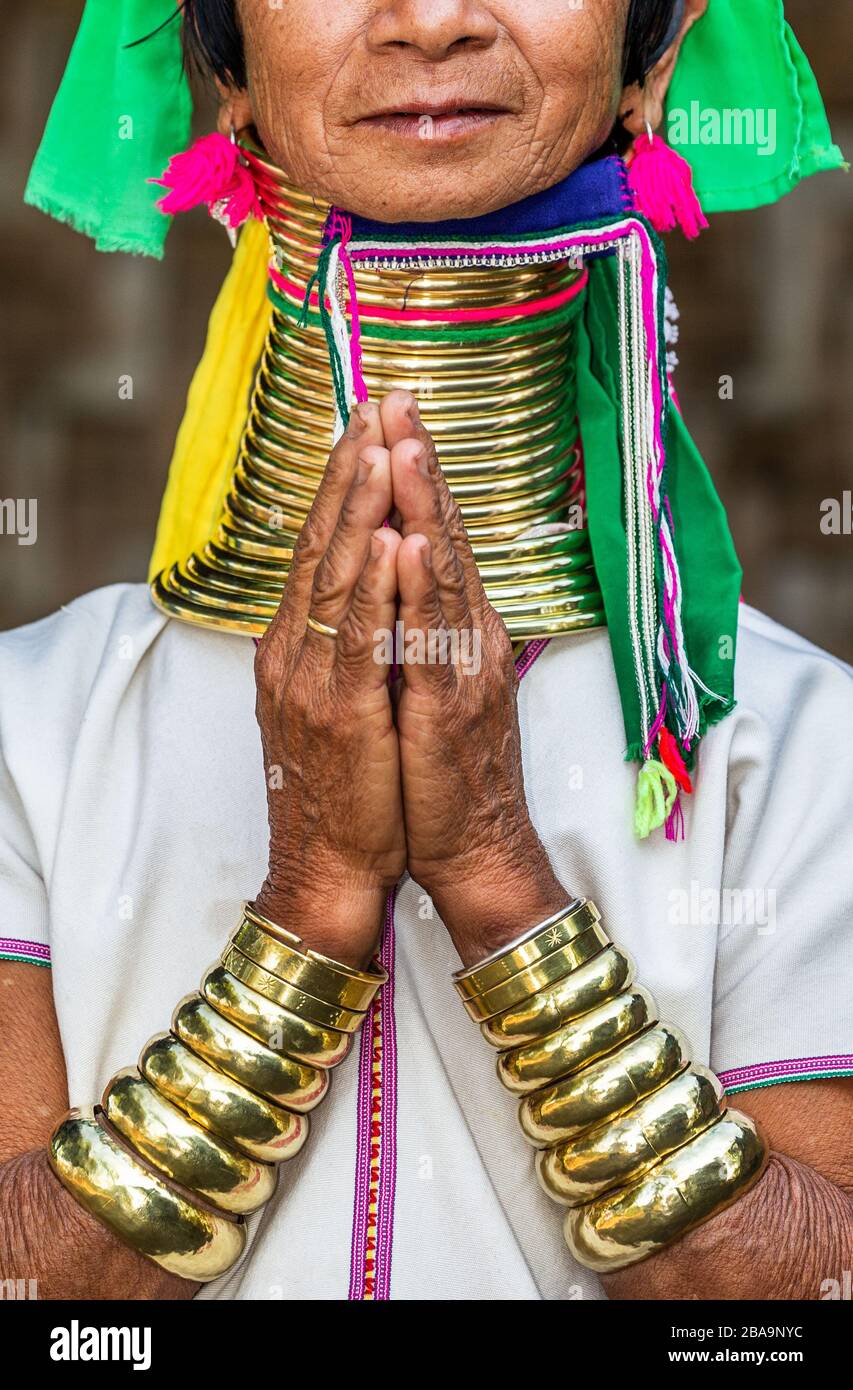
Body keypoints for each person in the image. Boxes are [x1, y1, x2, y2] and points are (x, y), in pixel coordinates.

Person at [1, 0, 850, 1301]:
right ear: (221, 68)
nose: (435, 21)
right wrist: (313, 899)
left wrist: (490, 871)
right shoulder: (28, 731)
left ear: (653, 58)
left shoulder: (801, 749)